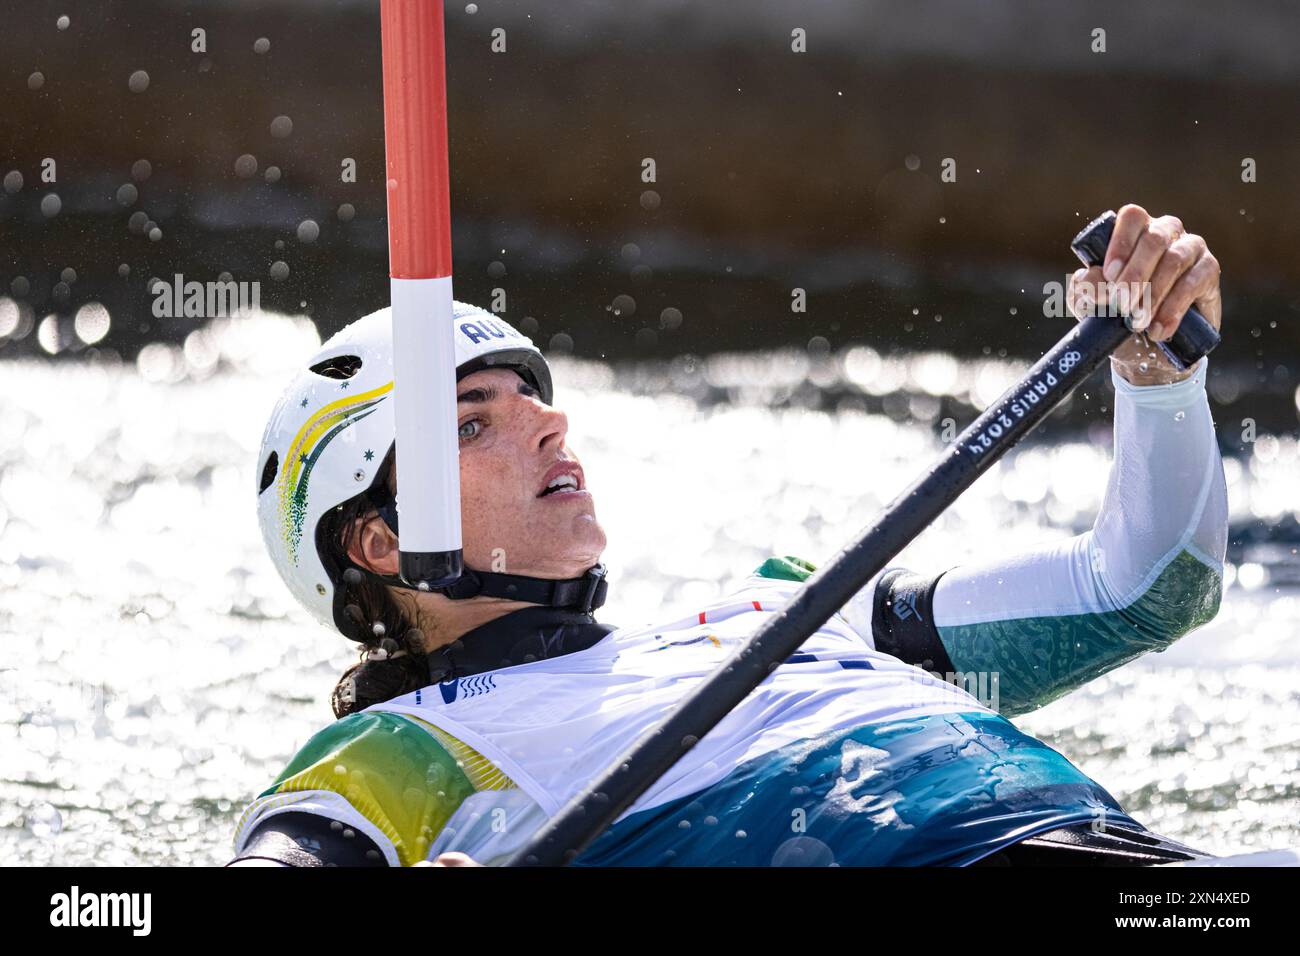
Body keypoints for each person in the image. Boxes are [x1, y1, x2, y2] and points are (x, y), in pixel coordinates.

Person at [228, 204, 1226, 867]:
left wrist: (1159, 381)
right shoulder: (391, 758)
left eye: (529, 395)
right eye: (470, 424)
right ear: (381, 544)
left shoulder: (790, 606)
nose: (548, 421)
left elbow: (1146, 591)